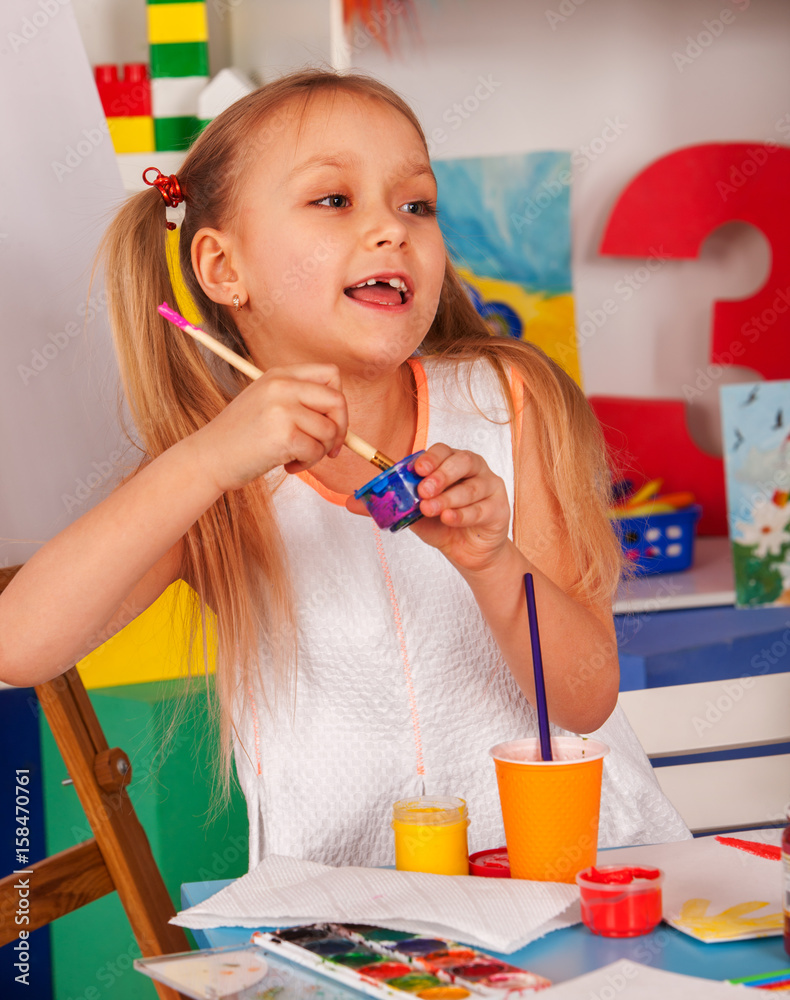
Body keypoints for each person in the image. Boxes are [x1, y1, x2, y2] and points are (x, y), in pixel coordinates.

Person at [0, 69, 689, 870]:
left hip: (576, 882)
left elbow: (585, 698)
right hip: (359, 925)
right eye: (334, 200)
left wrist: (494, 561)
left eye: (416, 204)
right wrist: (206, 461)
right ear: (224, 270)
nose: (391, 229)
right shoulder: (211, 480)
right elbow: (20, 647)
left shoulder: (509, 401)